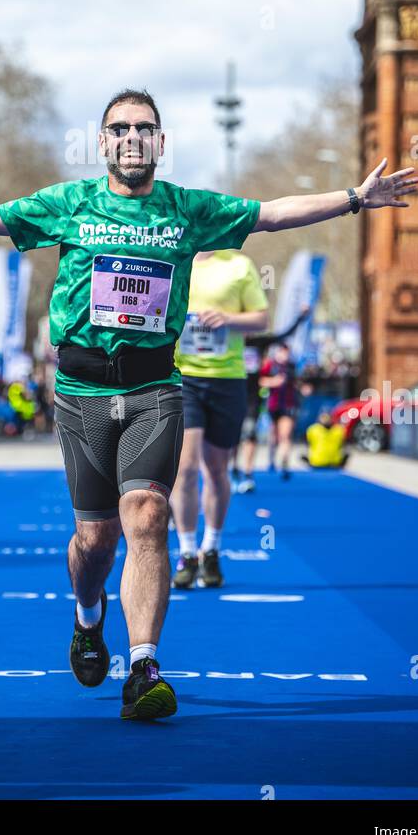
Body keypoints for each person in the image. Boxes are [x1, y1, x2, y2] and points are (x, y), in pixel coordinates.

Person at [0, 87, 418, 721]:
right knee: (94, 540)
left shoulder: (189, 210)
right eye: (120, 129)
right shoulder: (68, 204)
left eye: (145, 129)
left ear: (160, 143)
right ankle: (88, 618)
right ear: (103, 142)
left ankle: (143, 669)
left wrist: (355, 199)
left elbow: (275, 212)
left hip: (155, 388)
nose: (133, 138)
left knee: (146, 514)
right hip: (82, 393)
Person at [170, 249, 269, 589]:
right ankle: (186, 552)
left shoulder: (239, 265)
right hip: (183, 377)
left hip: (228, 378)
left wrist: (227, 318)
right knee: (184, 468)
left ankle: (210, 547)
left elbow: (261, 319)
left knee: (216, 469)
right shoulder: (173, 258)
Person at [234, 304, 311, 491]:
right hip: (230, 393)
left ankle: (248, 473)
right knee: (232, 438)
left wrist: (300, 318)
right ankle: (234, 469)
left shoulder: (259, 343)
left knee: (250, 433)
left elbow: (284, 335)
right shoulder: (228, 340)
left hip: (252, 397)